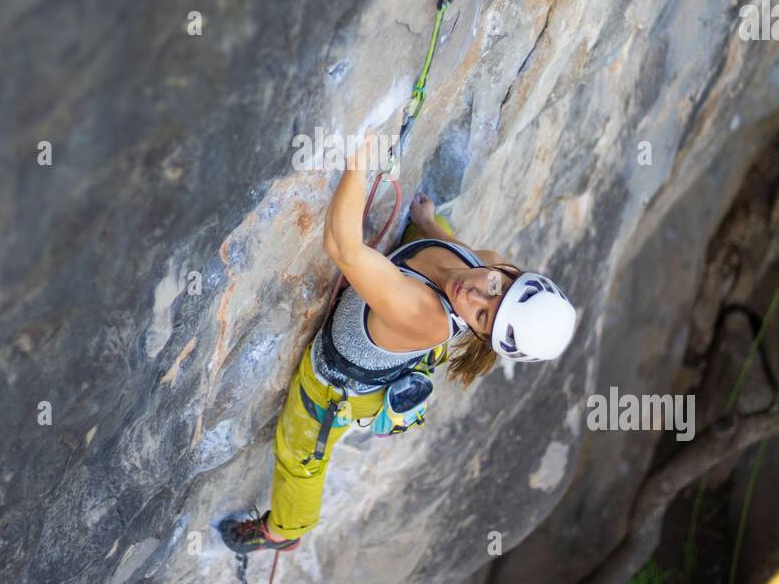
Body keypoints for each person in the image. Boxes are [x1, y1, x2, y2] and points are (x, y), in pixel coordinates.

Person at [218, 130, 577, 553]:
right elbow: (461, 256)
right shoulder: (489, 264)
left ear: (481, 333)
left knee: (300, 457)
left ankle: (285, 531)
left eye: (482, 315)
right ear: (512, 272)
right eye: (496, 287)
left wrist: (358, 162)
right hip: (400, 325)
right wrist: (426, 225)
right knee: (457, 277)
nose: (475, 293)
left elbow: (342, 247)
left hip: (337, 383)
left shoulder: (424, 315)